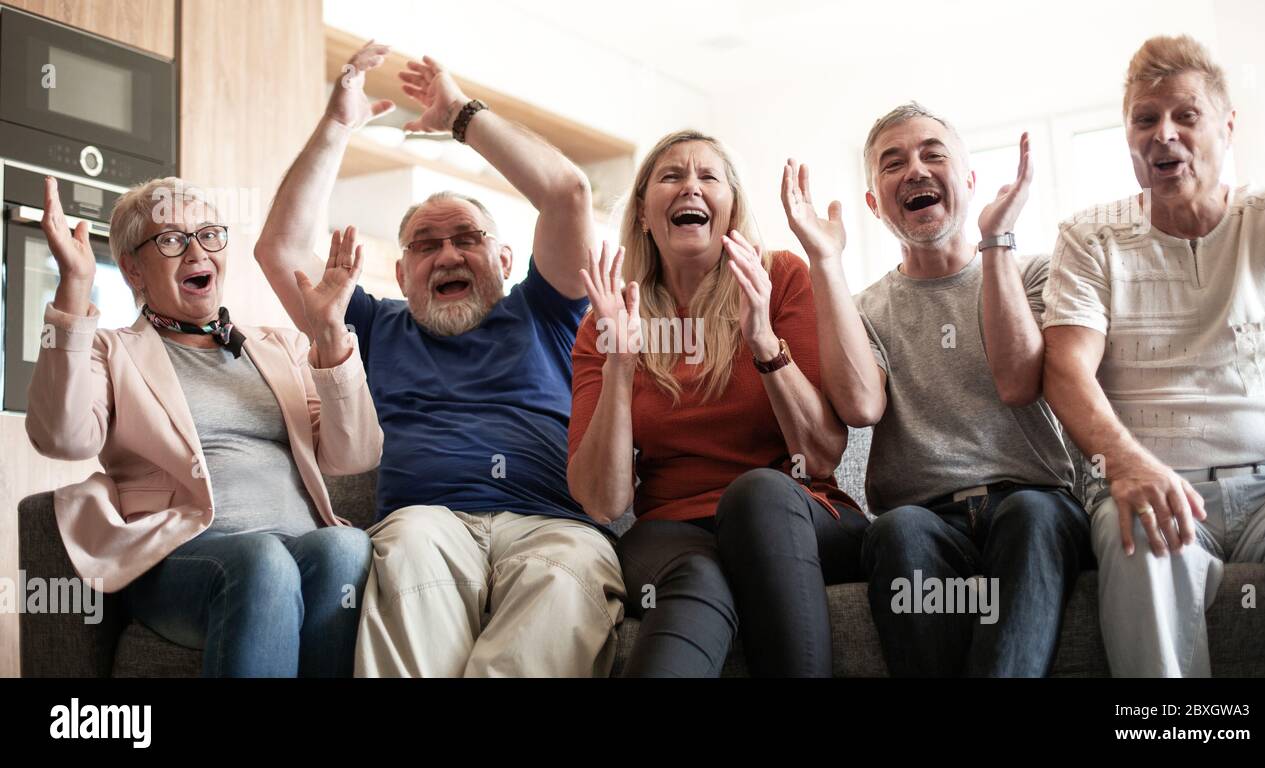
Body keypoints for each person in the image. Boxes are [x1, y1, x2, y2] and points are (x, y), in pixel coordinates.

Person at [255, 41, 623, 677]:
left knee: (563, 581)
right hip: (428, 523)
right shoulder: (371, 323)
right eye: (425, 246)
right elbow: (280, 246)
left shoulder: (550, 308)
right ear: (400, 271)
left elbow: (567, 192)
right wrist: (338, 125)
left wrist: (460, 114)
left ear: (505, 261)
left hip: (552, 524)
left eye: (467, 239)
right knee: (412, 550)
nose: (447, 255)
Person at [27, 175, 382, 677]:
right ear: (132, 268)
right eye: (171, 240)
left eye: (209, 234)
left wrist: (328, 333)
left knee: (346, 545)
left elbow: (355, 456)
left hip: (299, 550)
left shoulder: (281, 347)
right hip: (181, 564)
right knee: (263, 561)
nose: (197, 251)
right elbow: (61, 438)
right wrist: (73, 288)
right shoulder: (113, 351)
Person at [1042, 35, 1265, 677]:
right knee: (1135, 545)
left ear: (1228, 127)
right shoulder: (1090, 236)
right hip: (1155, 485)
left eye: (1187, 116)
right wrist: (1127, 463)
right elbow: (1065, 369)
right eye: (1145, 119)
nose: (1165, 135)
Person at [568, 129, 867, 677]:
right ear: (641, 213)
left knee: (755, 496)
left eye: (708, 176)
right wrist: (620, 365)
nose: (691, 188)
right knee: (698, 577)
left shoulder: (779, 279)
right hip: (674, 531)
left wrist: (762, 343)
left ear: (731, 207)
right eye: (671, 176)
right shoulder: (607, 321)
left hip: (797, 514)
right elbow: (603, 503)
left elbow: (821, 457)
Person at [809, 102, 1090, 676]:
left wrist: (996, 243)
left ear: (968, 180)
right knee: (897, 530)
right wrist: (825, 263)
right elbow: (862, 407)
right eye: (893, 164)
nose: (914, 170)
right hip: (923, 515)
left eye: (933, 154)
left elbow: (1017, 381)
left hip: (1034, 501)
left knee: (1032, 516)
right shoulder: (863, 311)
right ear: (874, 203)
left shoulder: (1033, 272)